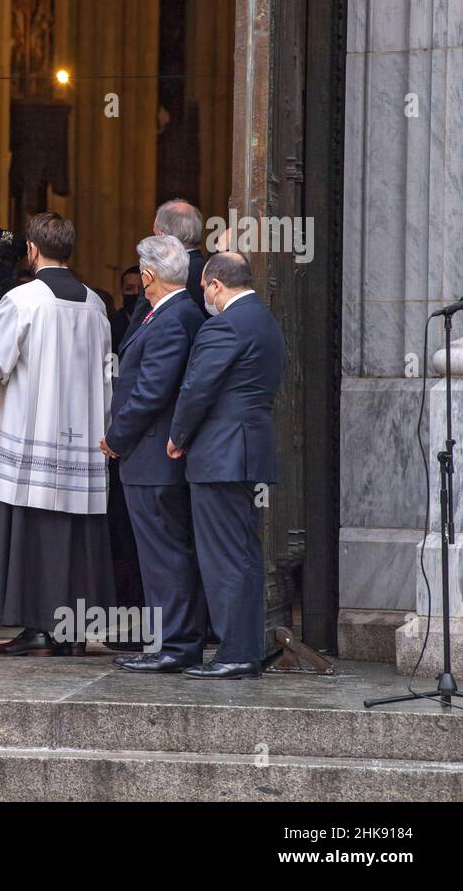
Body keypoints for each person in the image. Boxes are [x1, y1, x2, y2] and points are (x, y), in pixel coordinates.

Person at [0, 212, 114, 656]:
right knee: (73, 532)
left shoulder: (24, 299)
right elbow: (109, 374)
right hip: (83, 433)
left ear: (32, 249)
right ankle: (69, 629)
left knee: (29, 528)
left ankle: (36, 627)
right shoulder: (95, 303)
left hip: (33, 429)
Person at [168, 251, 285, 679]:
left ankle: (235, 653)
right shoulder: (264, 320)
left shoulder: (226, 324)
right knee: (243, 555)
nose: (205, 298)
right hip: (245, 450)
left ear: (216, 284)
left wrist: (176, 436)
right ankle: (245, 649)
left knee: (224, 558)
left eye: (204, 290)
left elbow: (198, 387)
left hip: (219, 454)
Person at [100, 235, 206, 671]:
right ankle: (172, 641)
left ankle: (177, 646)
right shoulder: (168, 313)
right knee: (162, 553)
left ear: (147, 275)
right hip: (149, 457)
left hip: (151, 457)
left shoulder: (172, 316)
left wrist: (116, 437)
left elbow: (151, 391)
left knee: (164, 555)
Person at [125, 199, 208, 333]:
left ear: (162, 236)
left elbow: (138, 330)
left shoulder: (163, 273)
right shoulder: (209, 270)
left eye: (155, 234)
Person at [112, 265, 142, 352]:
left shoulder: (159, 320)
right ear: (122, 292)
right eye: (129, 288)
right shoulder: (112, 325)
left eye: (141, 289)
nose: (136, 293)